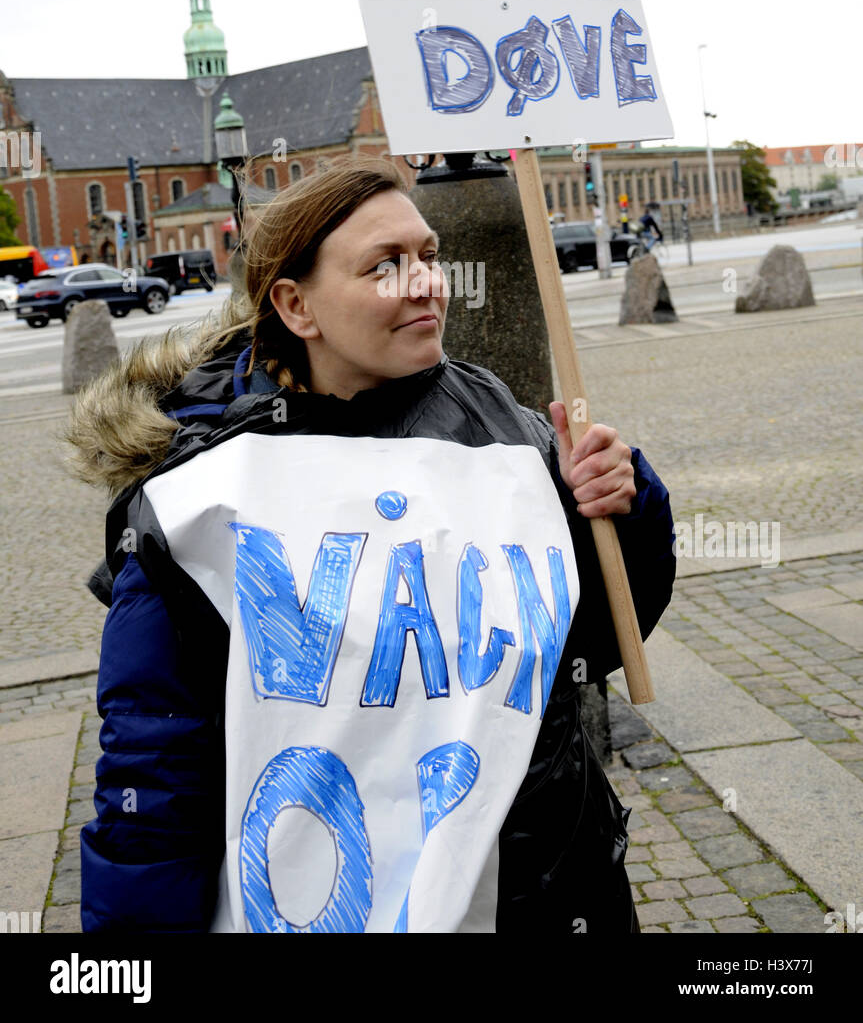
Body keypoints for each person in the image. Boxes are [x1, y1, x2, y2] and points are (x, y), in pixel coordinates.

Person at [68, 156, 676, 935]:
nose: (424, 281)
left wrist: (622, 507)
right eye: (384, 265)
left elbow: (588, 645)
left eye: (427, 255)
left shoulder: (514, 437)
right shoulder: (200, 502)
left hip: (539, 897)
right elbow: (153, 787)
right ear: (296, 304)